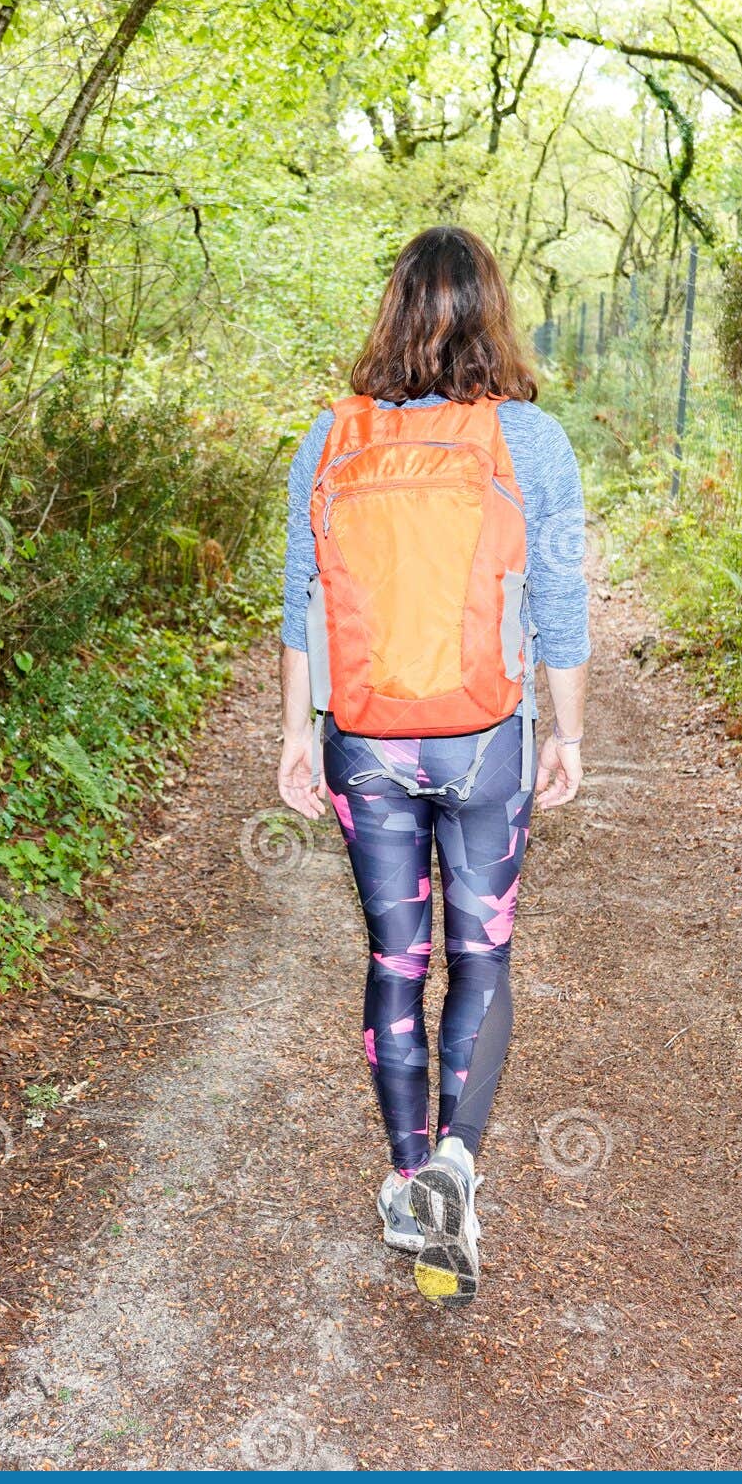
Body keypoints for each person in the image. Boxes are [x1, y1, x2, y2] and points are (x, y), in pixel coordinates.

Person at [277, 226, 589, 1306]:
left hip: (362, 740)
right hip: (481, 743)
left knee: (396, 959)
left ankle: (411, 1177)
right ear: (491, 314)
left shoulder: (331, 437)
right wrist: (567, 734)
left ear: (394, 314)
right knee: (481, 951)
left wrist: (291, 733)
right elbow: (558, 607)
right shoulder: (528, 441)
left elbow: (300, 603)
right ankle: (457, 1162)